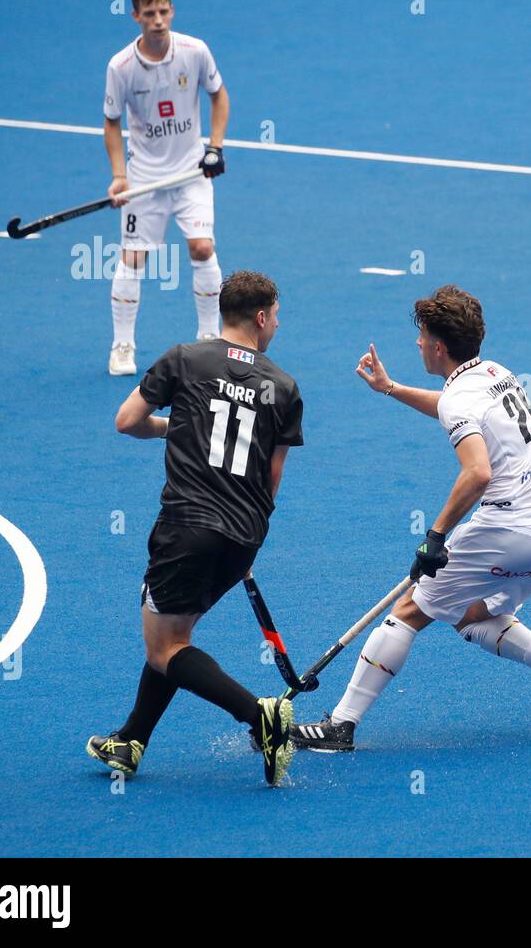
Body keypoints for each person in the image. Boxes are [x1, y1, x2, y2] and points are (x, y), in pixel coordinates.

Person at [290, 285, 531, 752]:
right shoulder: (496, 372)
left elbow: (477, 473)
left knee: (410, 609)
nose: (416, 344)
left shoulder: (460, 399)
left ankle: (341, 725)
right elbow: (451, 406)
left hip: (508, 532)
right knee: (468, 615)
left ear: (438, 347)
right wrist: (390, 388)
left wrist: (435, 536)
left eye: (422, 337)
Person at [86, 270, 304, 784]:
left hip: (187, 526)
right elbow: (272, 477)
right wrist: (248, 541)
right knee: (175, 635)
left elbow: (126, 421)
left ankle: (260, 715)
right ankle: (130, 741)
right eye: (276, 315)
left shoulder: (184, 359)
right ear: (260, 316)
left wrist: (171, 424)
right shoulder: (284, 387)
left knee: (165, 648)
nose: (276, 324)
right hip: (245, 532)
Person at [103, 0, 230, 376]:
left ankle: (210, 339)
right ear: (136, 17)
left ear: (171, 11)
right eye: (149, 14)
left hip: (191, 174)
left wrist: (215, 146)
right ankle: (122, 345)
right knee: (134, 258)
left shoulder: (195, 52)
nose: (158, 20)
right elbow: (111, 123)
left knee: (202, 248)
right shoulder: (120, 67)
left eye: (164, 12)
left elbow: (219, 96)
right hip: (144, 179)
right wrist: (119, 177)